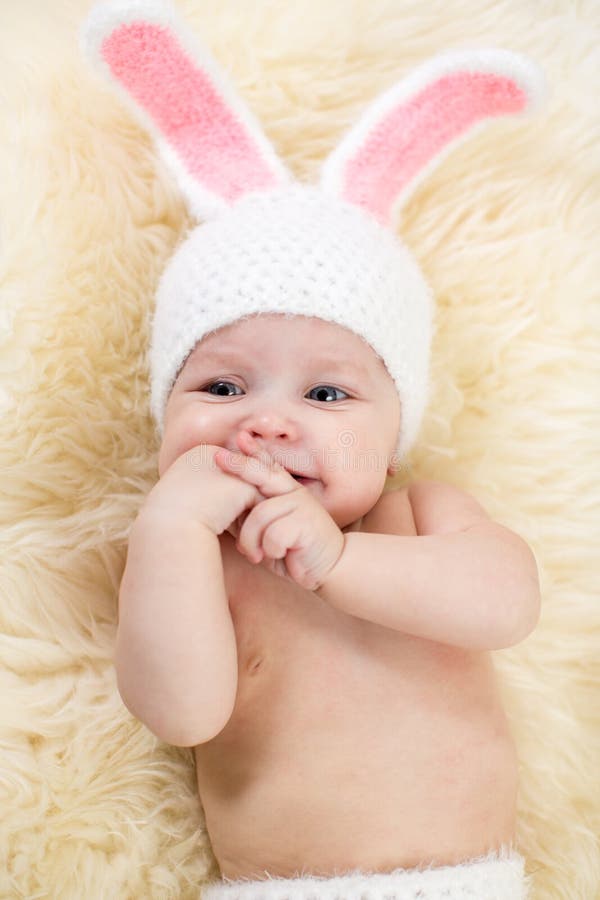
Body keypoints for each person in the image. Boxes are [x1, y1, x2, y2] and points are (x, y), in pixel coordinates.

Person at [82, 3, 545, 897]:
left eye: (326, 395)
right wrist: (169, 533)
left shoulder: (422, 516)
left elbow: (507, 606)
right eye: (221, 388)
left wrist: (338, 560)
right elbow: (182, 713)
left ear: (393, 430)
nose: (267, 423)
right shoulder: (206, 566)